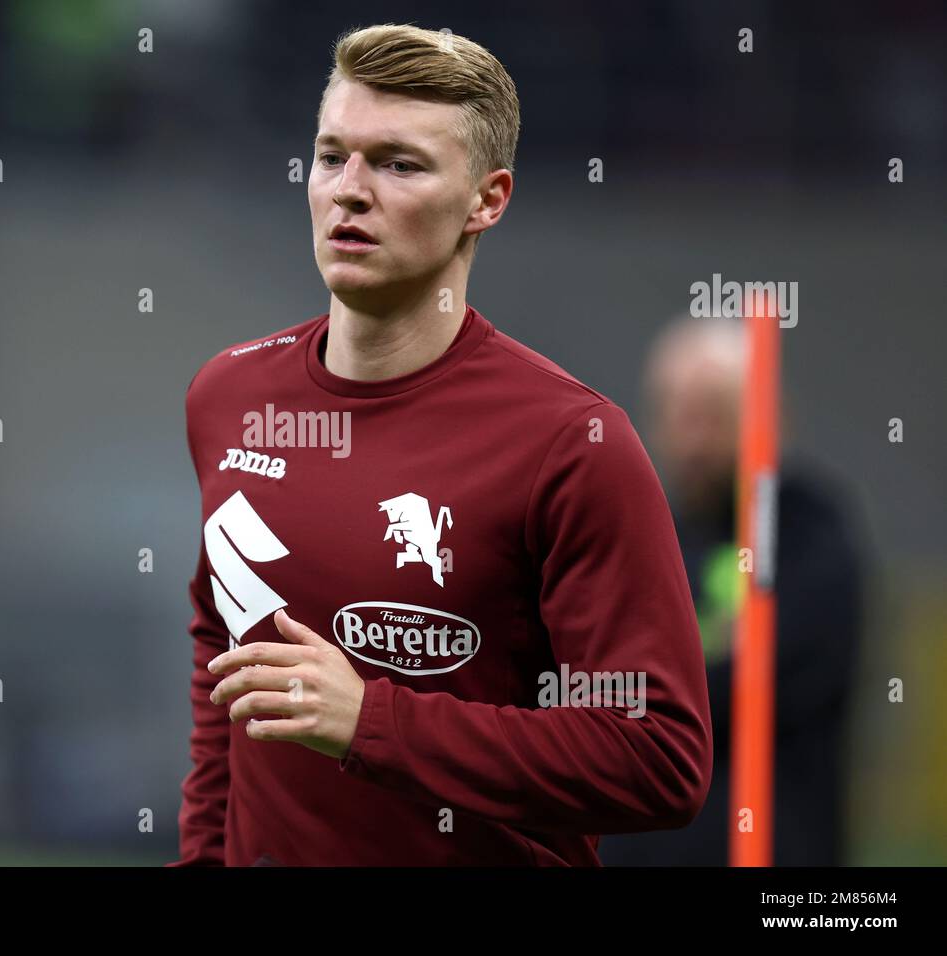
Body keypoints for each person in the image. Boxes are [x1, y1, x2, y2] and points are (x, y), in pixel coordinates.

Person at [169, 23, 712, 866]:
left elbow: (658, 759)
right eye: (330, 156)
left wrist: (372, 723)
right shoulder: (228, 398)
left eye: (398, 164)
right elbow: (222, 670)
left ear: (486, 200)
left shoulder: (572, 444)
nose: (349, 191)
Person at [600, 317, 864, 865]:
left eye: (712, 413)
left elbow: (769, 671)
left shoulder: (805, 532)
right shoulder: (651, 536)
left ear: (770, 414)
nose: (692, 436)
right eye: (675, 411)